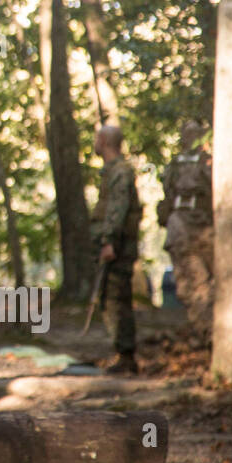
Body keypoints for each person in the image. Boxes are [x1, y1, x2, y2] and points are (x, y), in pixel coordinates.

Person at [91, 124, 142, 374]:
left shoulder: (120, 172)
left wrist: (109, 241)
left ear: (103, 141)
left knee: (117, 299)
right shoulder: (112, 171)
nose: (94, 143)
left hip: (118, 247)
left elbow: (118, 208)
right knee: (110, 299)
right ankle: (122, 354)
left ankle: (127, 356)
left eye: (96, 138)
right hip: (114, 244)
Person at [157, 120, 214, 337]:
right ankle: (203, 330)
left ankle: (208, 330)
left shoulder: (210, 163)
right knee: (191, 285)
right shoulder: (175, 165)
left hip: (204, 229)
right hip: (183, 228)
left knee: (205, 284)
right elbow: (167, 195)